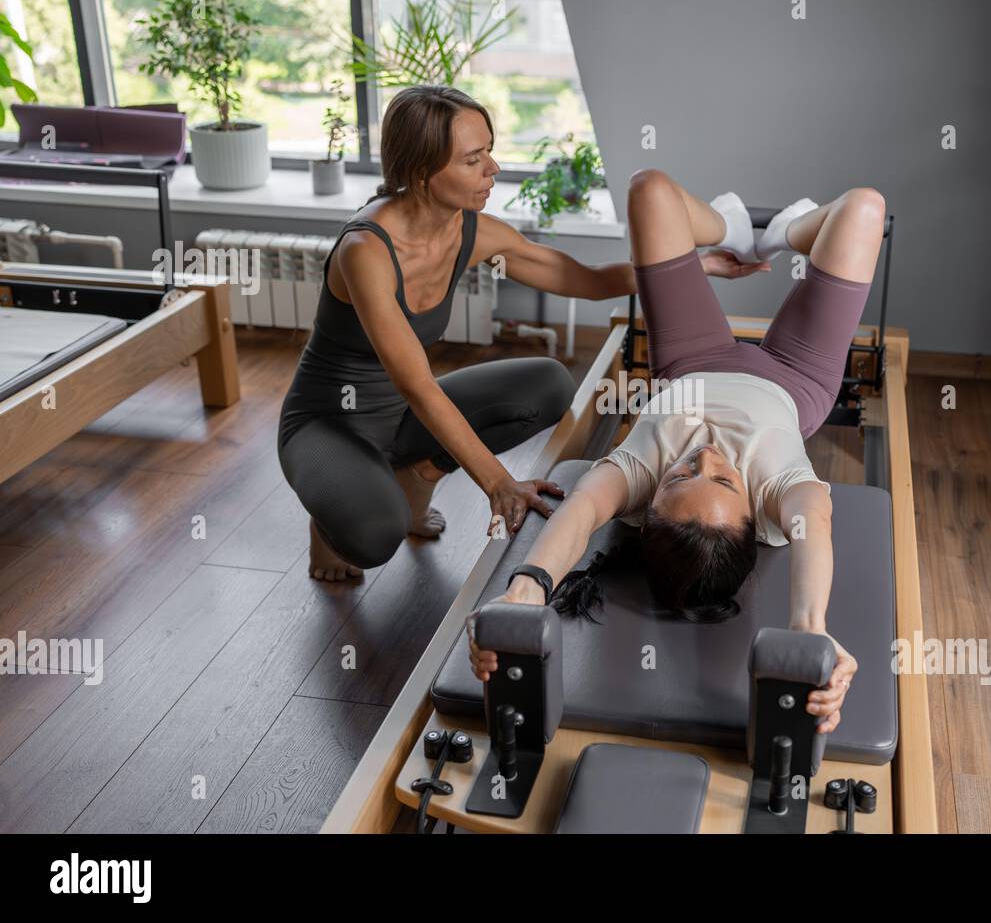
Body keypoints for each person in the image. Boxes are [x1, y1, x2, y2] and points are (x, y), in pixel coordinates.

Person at [469, 168, 887, 735]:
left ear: (647, 510)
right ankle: (790, 231)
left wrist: (524, 588)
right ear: (754, 513)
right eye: (723, 481)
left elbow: (580, 514)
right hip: (796, 377)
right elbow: (815, 528)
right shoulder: (780, 488)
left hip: (690, 359)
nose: (708, 456)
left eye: (683, 474)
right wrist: (810, 630)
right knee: (863, 205)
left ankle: (733, 229)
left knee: (649, 190)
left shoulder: (637, 475)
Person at [278, 85, 638, 581]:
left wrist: (683, 267)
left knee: (549, 385)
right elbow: (417, 384)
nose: (494, 168)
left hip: (402, 418)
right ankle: (329, 520)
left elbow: (587, 280)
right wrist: (500, 485)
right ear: (421, 172)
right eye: (473, 160)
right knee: (375, 535)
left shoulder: (473, 231)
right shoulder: (366, 250)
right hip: (331, 424)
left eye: (489, 150)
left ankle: (418, 473)